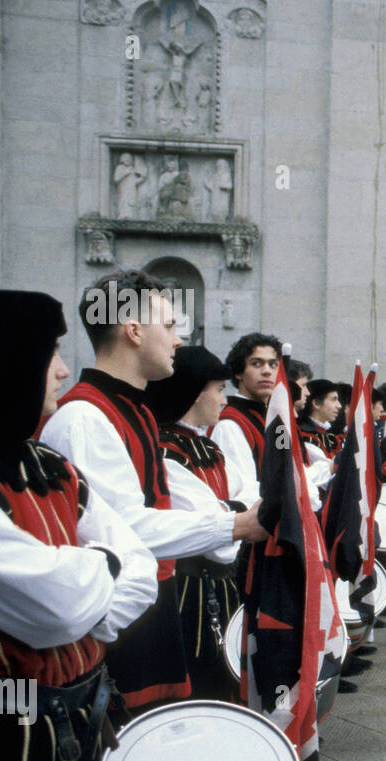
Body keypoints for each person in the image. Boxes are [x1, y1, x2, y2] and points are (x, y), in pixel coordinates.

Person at [0, 290, 158, 761]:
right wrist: (103, 566)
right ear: (2, 365)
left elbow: (141, 567)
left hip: (88, 716)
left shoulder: (49, 467)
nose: (61, 370)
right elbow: (58, 606)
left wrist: (87, 598)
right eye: (49, 353)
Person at [41, 270, 268, 711]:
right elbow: (127, 529)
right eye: (168, 325)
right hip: (117, 621)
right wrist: (238, 524)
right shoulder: (84, 418)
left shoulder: (134, 411)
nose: (178, 340)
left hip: (152, 608)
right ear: (134, 331)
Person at [145, 345, 245, 702]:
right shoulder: (165, 454)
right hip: (191, 591)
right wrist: (234, 514)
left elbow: (248, 496)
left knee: (229, 676)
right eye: (219, 389)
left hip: (224, 586)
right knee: (203, 679)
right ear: (195, 393)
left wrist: (229, 511)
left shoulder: (208, 448)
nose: (224, 400)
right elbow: (220, 543)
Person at [213, 332, 283, 506]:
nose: (267, 371)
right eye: (257, 363)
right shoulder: (230, 424)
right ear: (239, 373)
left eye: (273, 364)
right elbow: (243, 491)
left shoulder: (273, 418)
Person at [298, 379, 343, 459]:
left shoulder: (330, 437)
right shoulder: (305, 436)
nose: (339, 406)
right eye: (333, 400)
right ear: (316, 403)